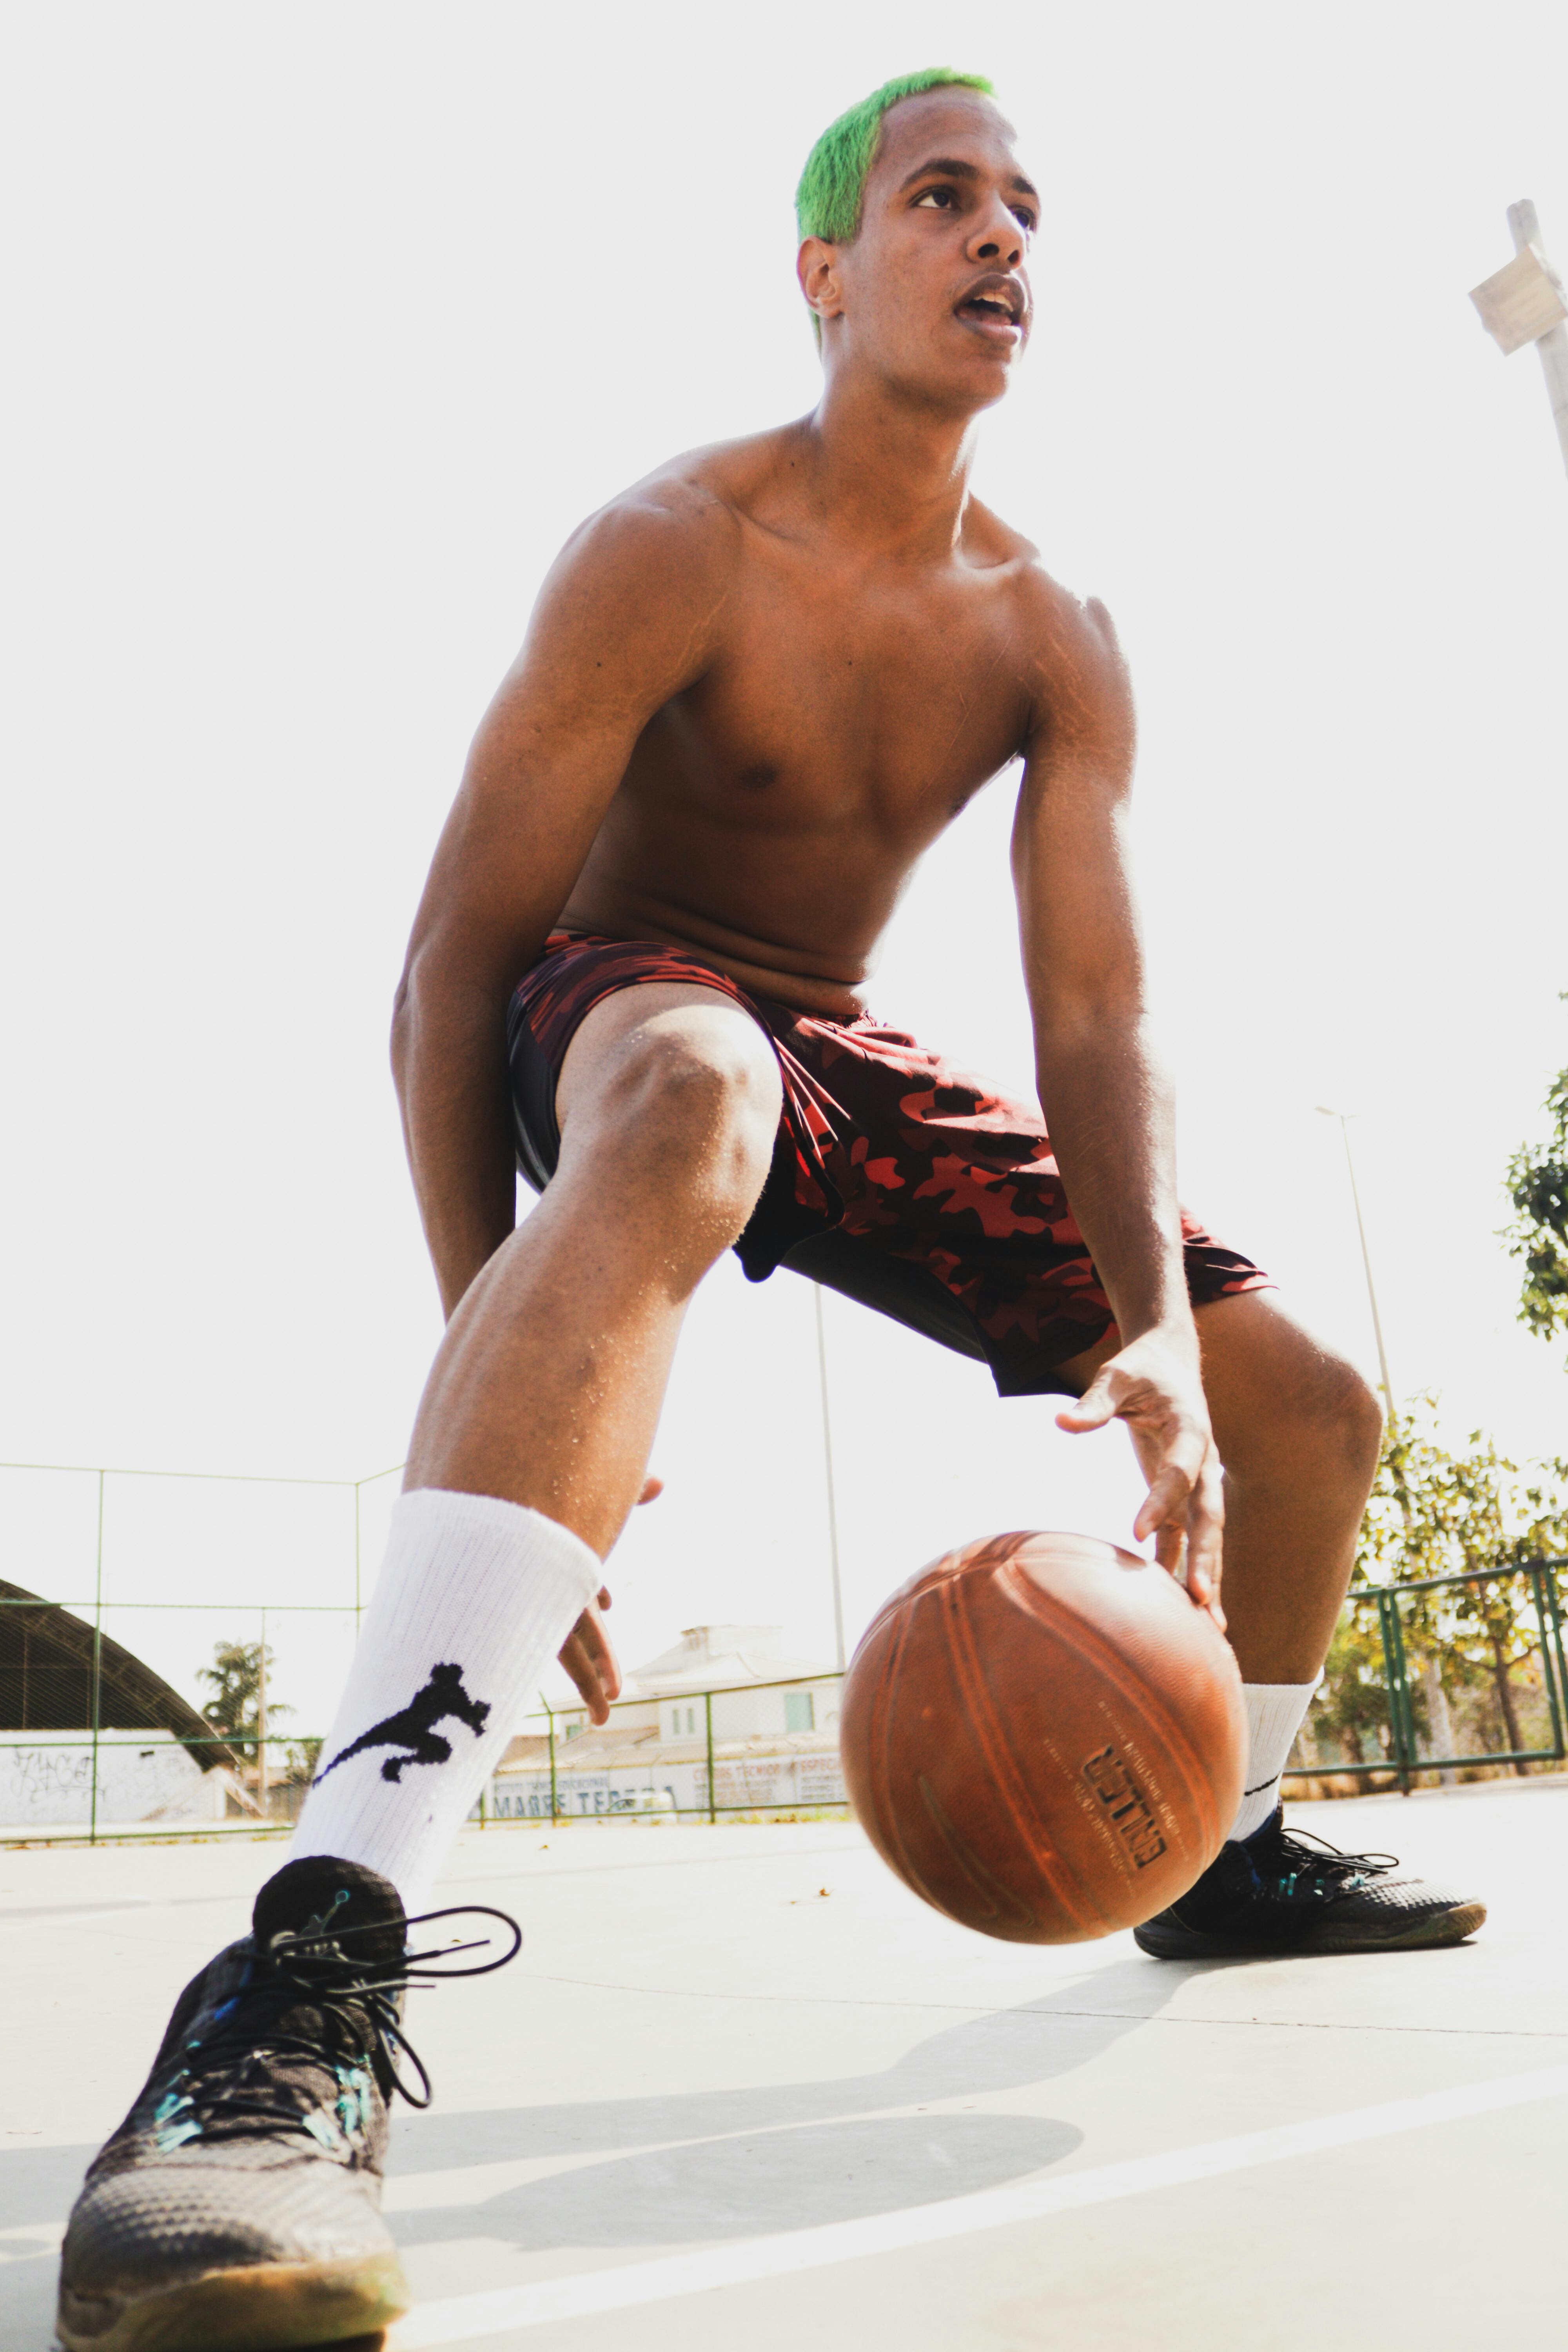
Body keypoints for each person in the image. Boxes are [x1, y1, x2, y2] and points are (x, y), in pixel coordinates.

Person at [56, 67, 1485, 2352]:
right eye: (945, 197)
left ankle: (1222, 1856)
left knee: (1303, 1400)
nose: (1002, 237)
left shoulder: (1051, 628)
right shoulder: (669, 545)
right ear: (825, 270)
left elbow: (1096, 1012)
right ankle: (304, 1972)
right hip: (621, 1010)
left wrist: (1150, 1331)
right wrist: (487, 1322)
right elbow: (445, 971)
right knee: (702, 1075)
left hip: (837, 1047)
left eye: (1028, 208)